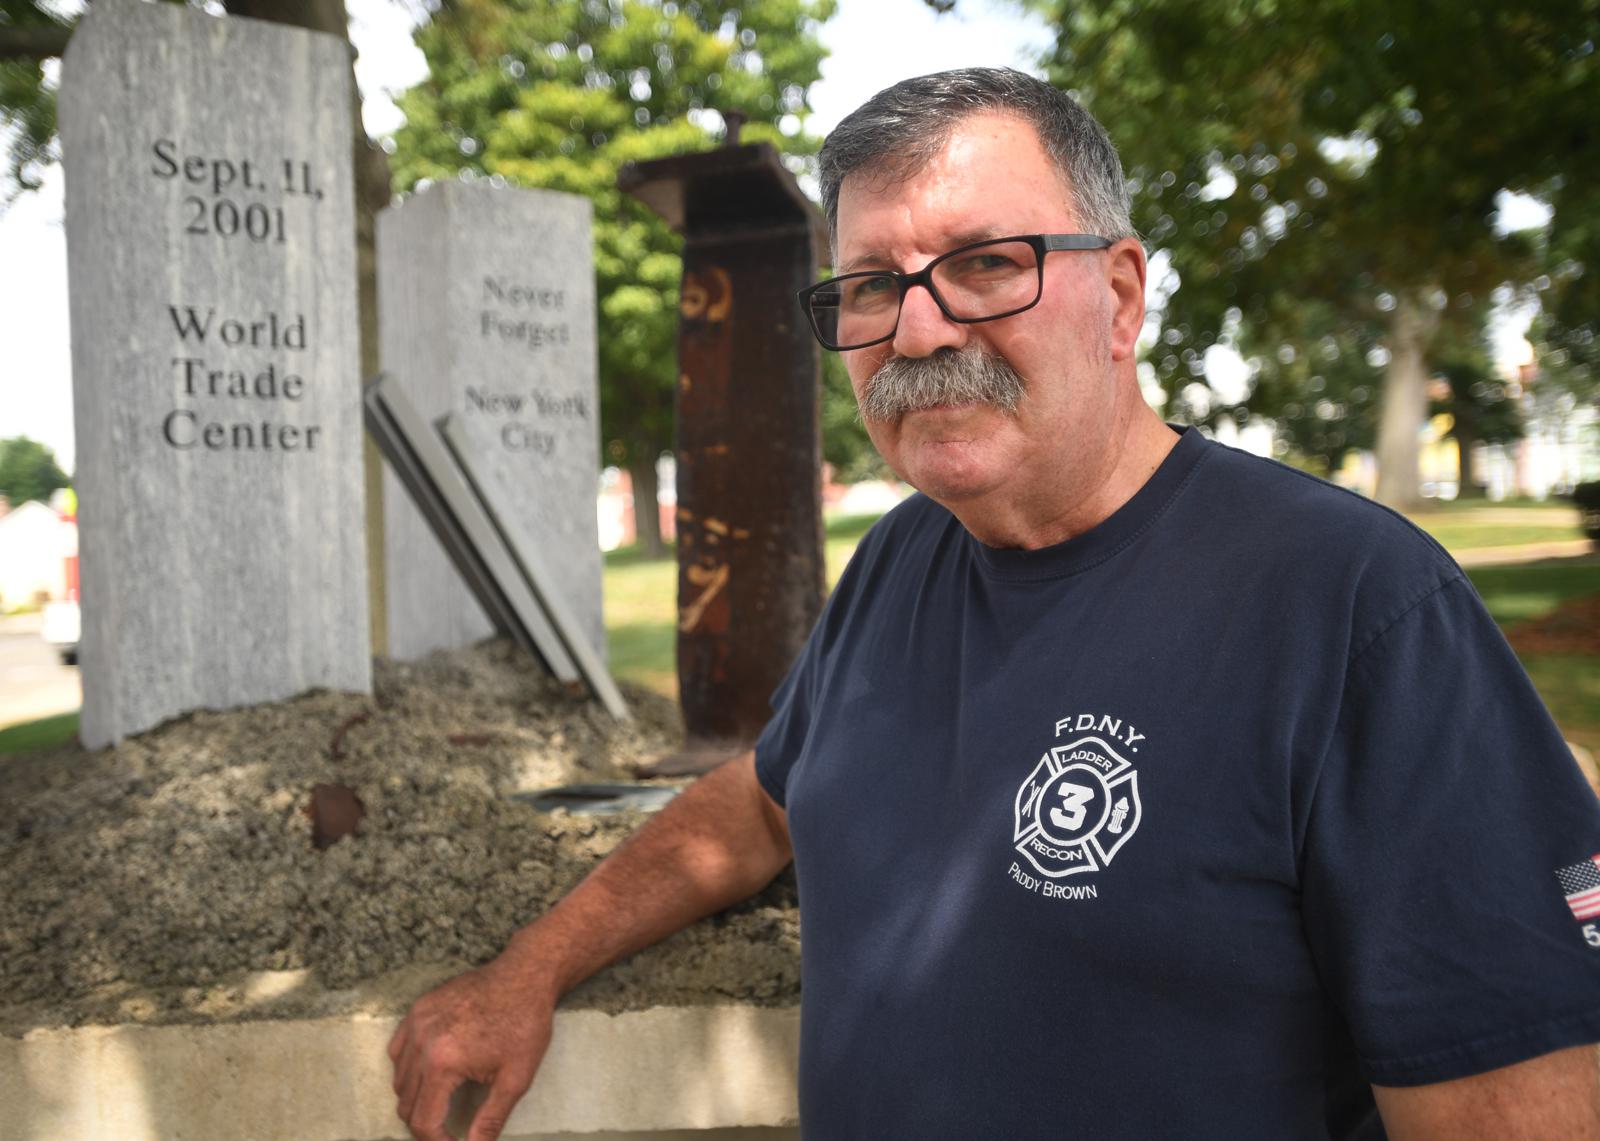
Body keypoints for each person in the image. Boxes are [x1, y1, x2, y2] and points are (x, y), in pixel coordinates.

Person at [389, 68, 1600, 1140]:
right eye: (869, 285)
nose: (917, 327)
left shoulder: (1354, 608)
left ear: (1121, 299)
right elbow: (758, 806)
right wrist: (530, 967)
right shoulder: (903, 559)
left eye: (983, 265)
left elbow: (1514, 1103)